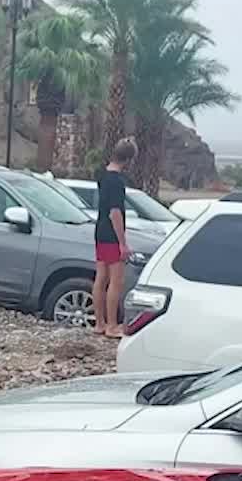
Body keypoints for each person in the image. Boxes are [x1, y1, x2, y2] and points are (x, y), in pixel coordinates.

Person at [92, 138, 136, 338]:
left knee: (101, 277)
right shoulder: (117, 182)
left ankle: (99, 323)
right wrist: (123, 243)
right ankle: (111, 325)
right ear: (128, 159)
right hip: (111, 235)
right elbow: (115, 213)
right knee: (116, 281)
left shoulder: (102, 176)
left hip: (100, 232)